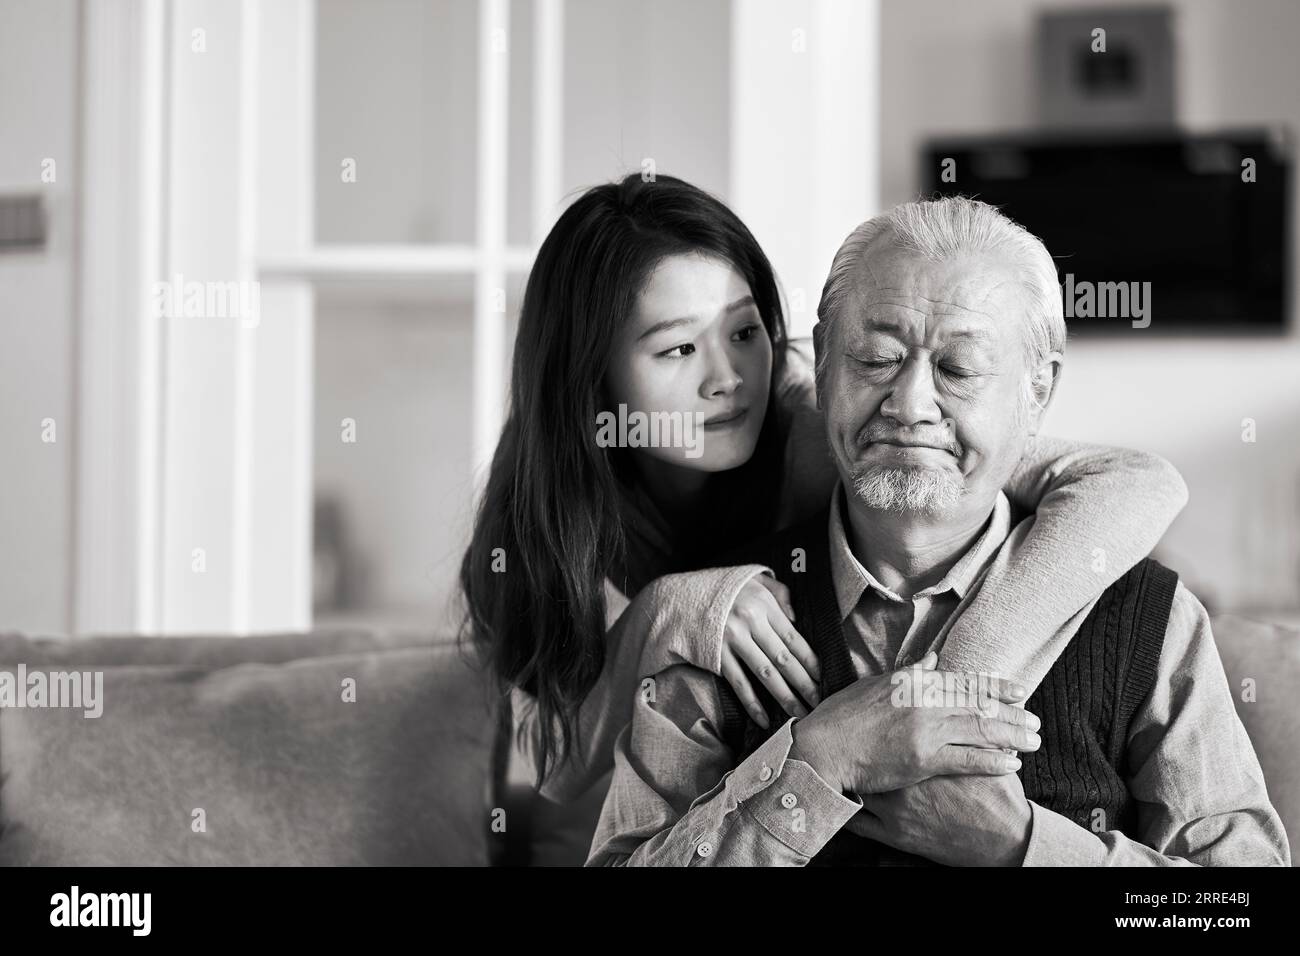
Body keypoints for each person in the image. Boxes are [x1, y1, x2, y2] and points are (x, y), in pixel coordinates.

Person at [586, 196, 1289, 866]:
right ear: (824, 359)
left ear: (1037, 389)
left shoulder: (1151, 622)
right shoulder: (723, 636)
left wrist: (1020, 847)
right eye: (877, 359)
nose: (911, 404)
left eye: (959, 369)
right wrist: (814, 762)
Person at [459, 174, 1186, 820]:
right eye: (678, 349)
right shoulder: (539, 518)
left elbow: (1135, 482)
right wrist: (667, 613)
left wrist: (955, 683)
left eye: (745, 331)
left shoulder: (825, 429)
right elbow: (556, 772)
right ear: (592, 376)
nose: (729, 378)